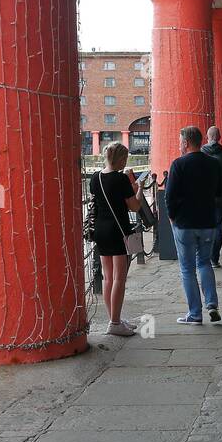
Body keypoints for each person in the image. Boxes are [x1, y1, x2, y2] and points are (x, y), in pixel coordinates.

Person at [164, 125, 222, 325]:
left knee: (187, 269)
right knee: (204, 262)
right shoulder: (214, 164)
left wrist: (172, 217)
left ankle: (195, 314)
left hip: (185, 223)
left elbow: (169, 196)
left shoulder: (178, 165)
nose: (179, 144)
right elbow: (219, 193)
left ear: (187, 142)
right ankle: (212, 303)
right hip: (207, 222)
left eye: (180, 141)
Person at [88, 141, 142, 337]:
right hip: (117, 230)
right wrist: (139, 187)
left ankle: (115, 319)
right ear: (120, 159)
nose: (125, 161)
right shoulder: (120, 180)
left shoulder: (95, 178)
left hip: (100, 231)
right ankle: (115, 322)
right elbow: (134, 206)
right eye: (125, 158)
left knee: (108, 277)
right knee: (119, 278)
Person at [201, 125, 222, 267]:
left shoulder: (201, 154)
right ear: (219, 137)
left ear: (207, 137)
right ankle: (214, 258)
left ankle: (203, 256)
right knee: (218, 228)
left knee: (203, 226)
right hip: (220, 197)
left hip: (203, 197)